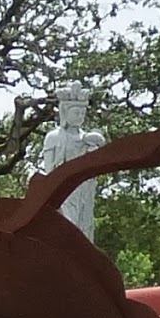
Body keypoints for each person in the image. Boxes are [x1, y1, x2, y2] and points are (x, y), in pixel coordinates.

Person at [39, 81, 107, 239]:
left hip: (83, 189)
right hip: (63, 189)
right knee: (67, 224)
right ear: (64, 111)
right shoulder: (54, 137)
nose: (80, 116)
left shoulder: (88, 139)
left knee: (84, 226)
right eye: (76, 112)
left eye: (83, 113)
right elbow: (50, 169)